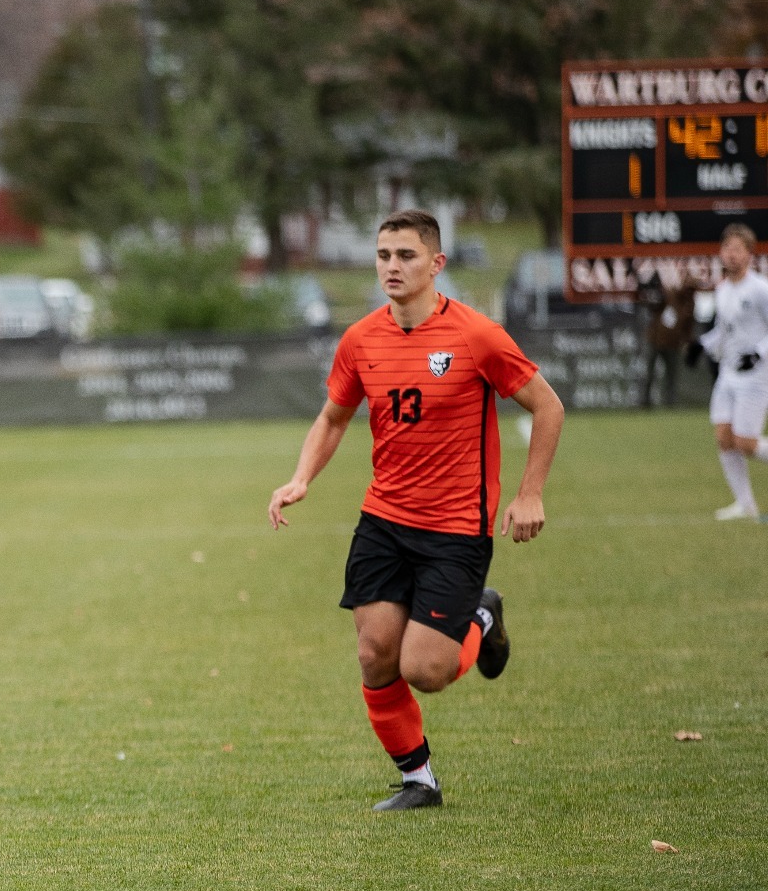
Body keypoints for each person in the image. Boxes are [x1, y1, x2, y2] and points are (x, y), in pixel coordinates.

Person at [268, 210, 565, 811]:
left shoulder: (476, 335)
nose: (393, 267)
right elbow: (332, 417)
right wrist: (301, 478)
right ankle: (419, 781)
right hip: (383, 522)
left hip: (455, 529)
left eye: (405, 255)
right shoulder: (360, 339)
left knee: (426, 669)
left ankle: (482, 616)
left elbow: (548, 405)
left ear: (437, 264)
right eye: (383, 255)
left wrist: (530, 493)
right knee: (375, 654)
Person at [687, 224, 768, 519]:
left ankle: (745, 504)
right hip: (729, 373)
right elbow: (724, 331)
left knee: (745, 443)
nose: (731, 255)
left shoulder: (760, 289)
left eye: (738, 249)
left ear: (749, 254)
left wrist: (758, 353)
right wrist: (701, 345)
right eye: (727, 249)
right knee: (724, 437)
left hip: (757, 376)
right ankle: (745, 504)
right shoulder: (722, 290)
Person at [635, 271, 696, 409]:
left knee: (671, 375)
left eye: (692, 289)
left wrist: (687, 342)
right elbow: (653, 304)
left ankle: (670, 403)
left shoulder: (690, 304)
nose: (689, 291)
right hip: (654, 340)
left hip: (673, 343)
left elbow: (689, 326)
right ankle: (644, 402)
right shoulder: (670, 294)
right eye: (688, 288)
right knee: (648, 372)